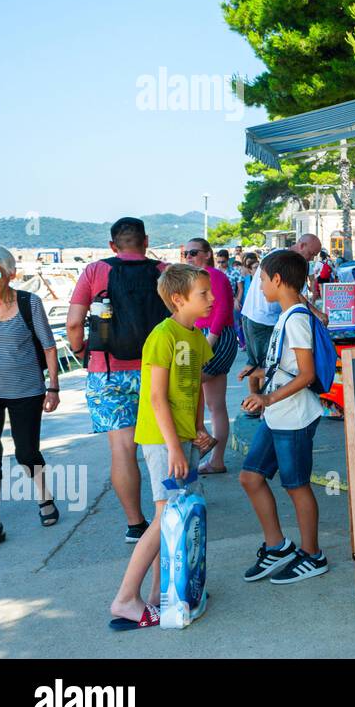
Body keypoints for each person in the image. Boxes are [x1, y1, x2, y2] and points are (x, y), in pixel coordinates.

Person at [108, 264, 214, 630]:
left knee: (171, 515)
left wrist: (199, 429)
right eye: (204, 294)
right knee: (166, 517)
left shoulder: (196, 337)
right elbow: (156, 397)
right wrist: (173, 448)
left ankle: (159, 594)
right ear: (177, 299)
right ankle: (125, 598)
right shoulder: (162, 335)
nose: (212, 299)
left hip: (184, 439)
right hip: (161, 441)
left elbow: (196, 388)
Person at [66, 217, 170, 543]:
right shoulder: (164, 271)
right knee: (163, 443)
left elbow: (72, 324)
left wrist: (82, 351)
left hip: (108, 370)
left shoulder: (95, 271)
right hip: (158, 369)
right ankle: (167, 515)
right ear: (146, 240)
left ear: (113, 245)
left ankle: (136, 525)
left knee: (122, 450)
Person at [238, 250, 328, 584]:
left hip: (293, 416)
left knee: (296, 486)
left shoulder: (297, 318)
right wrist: (261, 372)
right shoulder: (288, 315)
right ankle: (277, 546)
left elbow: (305, 375)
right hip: (277, 414)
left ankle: (312, 554)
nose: (259, 287)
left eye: (261, 280)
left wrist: (267, 397)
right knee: (250, 477)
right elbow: (289, 366)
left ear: (277, 279)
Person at [0, 247, 61, 550]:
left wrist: (53, 387)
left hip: (27, 390)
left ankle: (44, 498)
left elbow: (49, 346)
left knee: (26, 453)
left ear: (10, 274)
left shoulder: (30, 303)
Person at [183, 239, 238, 474]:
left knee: (186, 386)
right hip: (206, 336)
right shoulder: (198, 277)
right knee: (216, 405)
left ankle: (201, 441)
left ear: (207, 254)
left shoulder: (214, 275)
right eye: (185, 253)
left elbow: (224, 308)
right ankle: (216, 460)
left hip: (215, 337)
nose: (188, 257)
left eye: (193, 253)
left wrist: (209, 341)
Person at [239, 248, 280, 400]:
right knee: (263, 365)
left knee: (257, 364)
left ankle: (255, 402)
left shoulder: (256, 277)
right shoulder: (253, 279)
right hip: (259, 320)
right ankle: (258, 403)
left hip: (253, 318)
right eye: (253, 266)